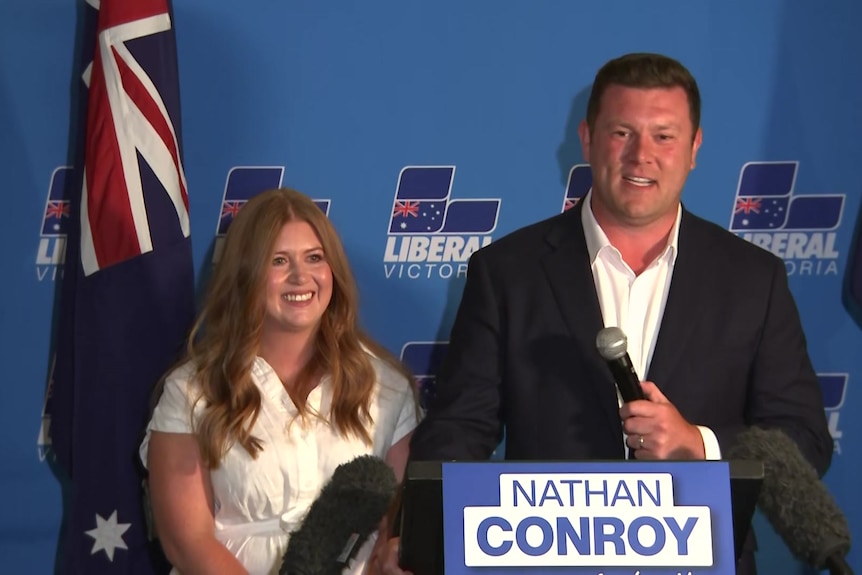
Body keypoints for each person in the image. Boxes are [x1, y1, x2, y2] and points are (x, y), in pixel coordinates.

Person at [372, 52, 833, 575]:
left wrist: (697, 444)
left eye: (664, 135)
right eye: (622, 133)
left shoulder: (754, 279)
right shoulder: (507, 272)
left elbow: (806, 441)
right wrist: (424, 544)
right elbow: (457, 430)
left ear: (694, 148)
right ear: (588, 139)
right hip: (542, 563)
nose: (642, 156)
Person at [140, 188, 420, 575]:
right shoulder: (191, 390)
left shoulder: (386, 387)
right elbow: (187, 542)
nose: (300, 276)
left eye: (314, 258)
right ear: (246, 274)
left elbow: (399, 524)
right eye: (279, 260)